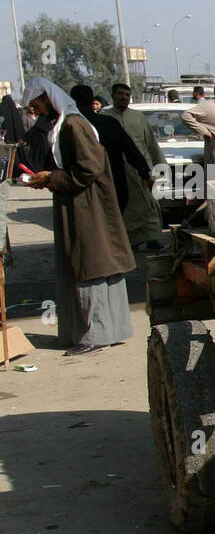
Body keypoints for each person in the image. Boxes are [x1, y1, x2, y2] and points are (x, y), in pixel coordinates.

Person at [20, 78, 136, 355]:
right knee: (87, 265)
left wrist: (52, 177)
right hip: (77, 203)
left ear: (48, 99)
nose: (36, 113)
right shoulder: (65, 125)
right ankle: (90, 332)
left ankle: (95, 335)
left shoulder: (74, 124)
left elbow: (89, 167)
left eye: (36, 106)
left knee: (91, 265)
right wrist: (48, 178)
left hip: (89, 206)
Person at [69, 83, 151, 223]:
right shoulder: (109, 122)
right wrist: (145, 173)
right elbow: (131, 150)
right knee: (113, 222)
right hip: (114, 182)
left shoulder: (70, 125)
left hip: (84, 185)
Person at [102, 81, 166, 250]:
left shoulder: (138, 117)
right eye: (120, 94)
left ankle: (153, 237)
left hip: (143, 170)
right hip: (119, 171)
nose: (124, 97)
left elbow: (151, 144)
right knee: (127, 208)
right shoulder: (105, 118)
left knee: (150, 205)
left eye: (127, 95)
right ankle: (130, 241)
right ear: (113, 96)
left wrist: (161, 167)